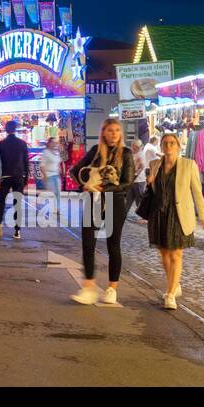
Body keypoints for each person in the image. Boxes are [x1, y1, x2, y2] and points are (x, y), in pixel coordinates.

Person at [68, 117, 133, 305]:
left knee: (113, 245)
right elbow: (74, 171)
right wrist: (86, 185)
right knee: (88, 243)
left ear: (120, 133)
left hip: (115, 203)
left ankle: (112, 288)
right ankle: (88, 287)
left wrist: (105, 189)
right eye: (110, 130)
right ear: (103, 132)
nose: (113, 134)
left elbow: (127, 183)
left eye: (117, 130)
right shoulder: (95, 152)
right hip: (93, 202)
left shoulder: (126, 154)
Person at [148, 132, 204, 309]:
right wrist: (149, 180)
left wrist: (203, 215)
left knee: (176, 253)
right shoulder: (154, 165)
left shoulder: (189, 165)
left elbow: (197, 192)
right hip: (159, 213)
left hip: (179, 214)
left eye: (172, 143)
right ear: (161, 146)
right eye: (165, 143)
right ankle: (174, 284)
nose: (168, 146)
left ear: (178, 146)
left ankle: (170, 294)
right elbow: (152, 190)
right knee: (164, 254)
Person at [0, 120, 30, 239]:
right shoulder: (22, 143)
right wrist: (26, 178)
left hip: (5, 176)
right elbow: (26, 162)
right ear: (16, 129)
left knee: (1, 201)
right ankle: (17, 230)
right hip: (18, 176)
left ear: (6, 130)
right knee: (17, 203)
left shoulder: (0, 144)